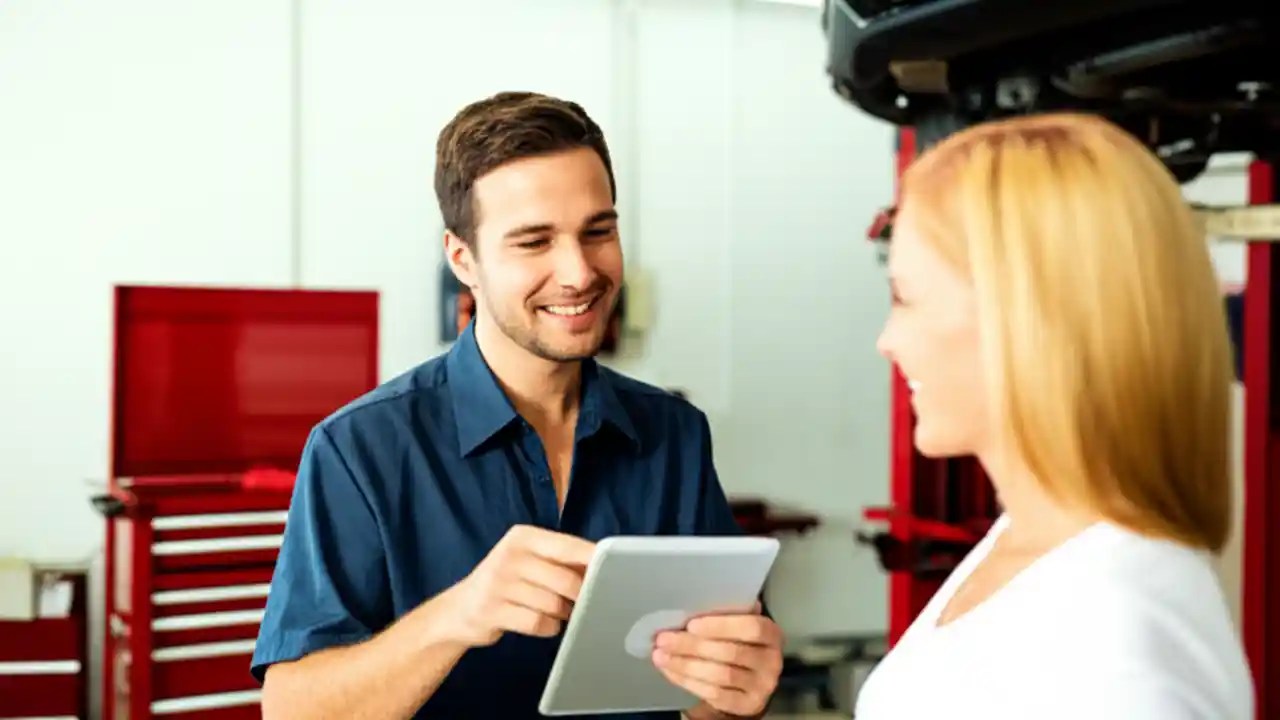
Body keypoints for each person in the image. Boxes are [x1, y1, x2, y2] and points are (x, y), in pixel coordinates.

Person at [251, 91, 784, 719]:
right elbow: (291, 710)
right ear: (463, 260)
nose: (578, 272)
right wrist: (459, 613)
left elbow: (713, 698)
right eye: (534, 242)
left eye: (598, 231)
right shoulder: (360, 449)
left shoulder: (675, 433)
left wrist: (734, 690)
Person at [856, 112, 1255, 719]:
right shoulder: (1033, 541)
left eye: (906, 298)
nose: (888, 341)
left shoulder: (1116, 645)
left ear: (1026, 317)